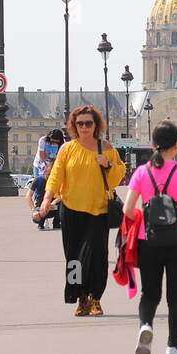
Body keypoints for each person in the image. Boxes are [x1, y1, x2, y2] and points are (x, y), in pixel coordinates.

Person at [120, 121, 177, 354]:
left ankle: (146, 325)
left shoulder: (141, 172)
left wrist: (144, 220)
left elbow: (128, 210)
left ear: (152, 145)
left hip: (147, 241)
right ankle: (173, 348)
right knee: (176, 297)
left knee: (149, 294)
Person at [39, 105, 125, 317]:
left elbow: (117, 177)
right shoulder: (67, 149)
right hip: (71, 209)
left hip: (98, 210)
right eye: (80, 123)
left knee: (96, 254)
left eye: (88, 123)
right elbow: (56, 175)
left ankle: (95, 297)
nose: (84, 127)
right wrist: (46, 199)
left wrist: (107, 165)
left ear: (96, 125)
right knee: (73, 258)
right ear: (73, 126)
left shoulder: (105, 148)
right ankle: (81, 298)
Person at [29, 128, 64, 229]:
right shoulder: (43, 140)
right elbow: (42, 156)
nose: (53, 142)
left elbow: (60, 158)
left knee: (55, 189)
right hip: (40, 164)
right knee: (40, 188)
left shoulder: (63, 144)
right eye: (51, 140)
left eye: (55, 142)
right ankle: (40, 211)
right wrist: (47, 166)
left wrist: (53, 165)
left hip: (54, 165)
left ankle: (55, 218)